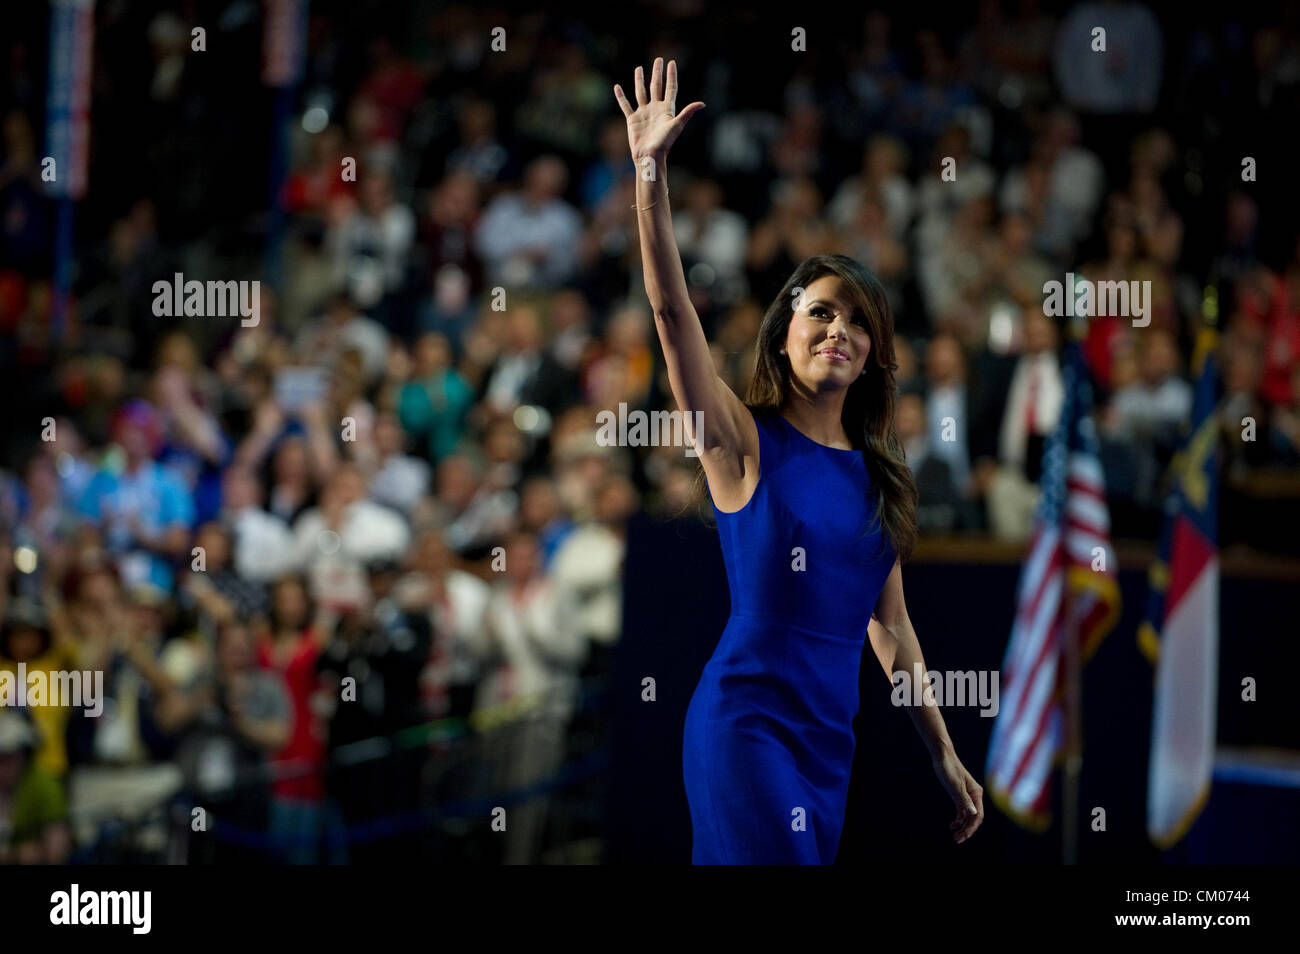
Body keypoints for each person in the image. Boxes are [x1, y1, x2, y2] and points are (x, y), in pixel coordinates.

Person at [614, 58, 984, 864]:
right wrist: (651, 176)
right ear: (785, 333)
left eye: (857, 321)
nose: (837, 330)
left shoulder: (882, 479)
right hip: (744, 727)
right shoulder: (740, 440)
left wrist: (943, 751)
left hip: (828, 749)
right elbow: (672, 313)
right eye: (819, 312)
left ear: (873, 356)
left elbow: (891, 625)